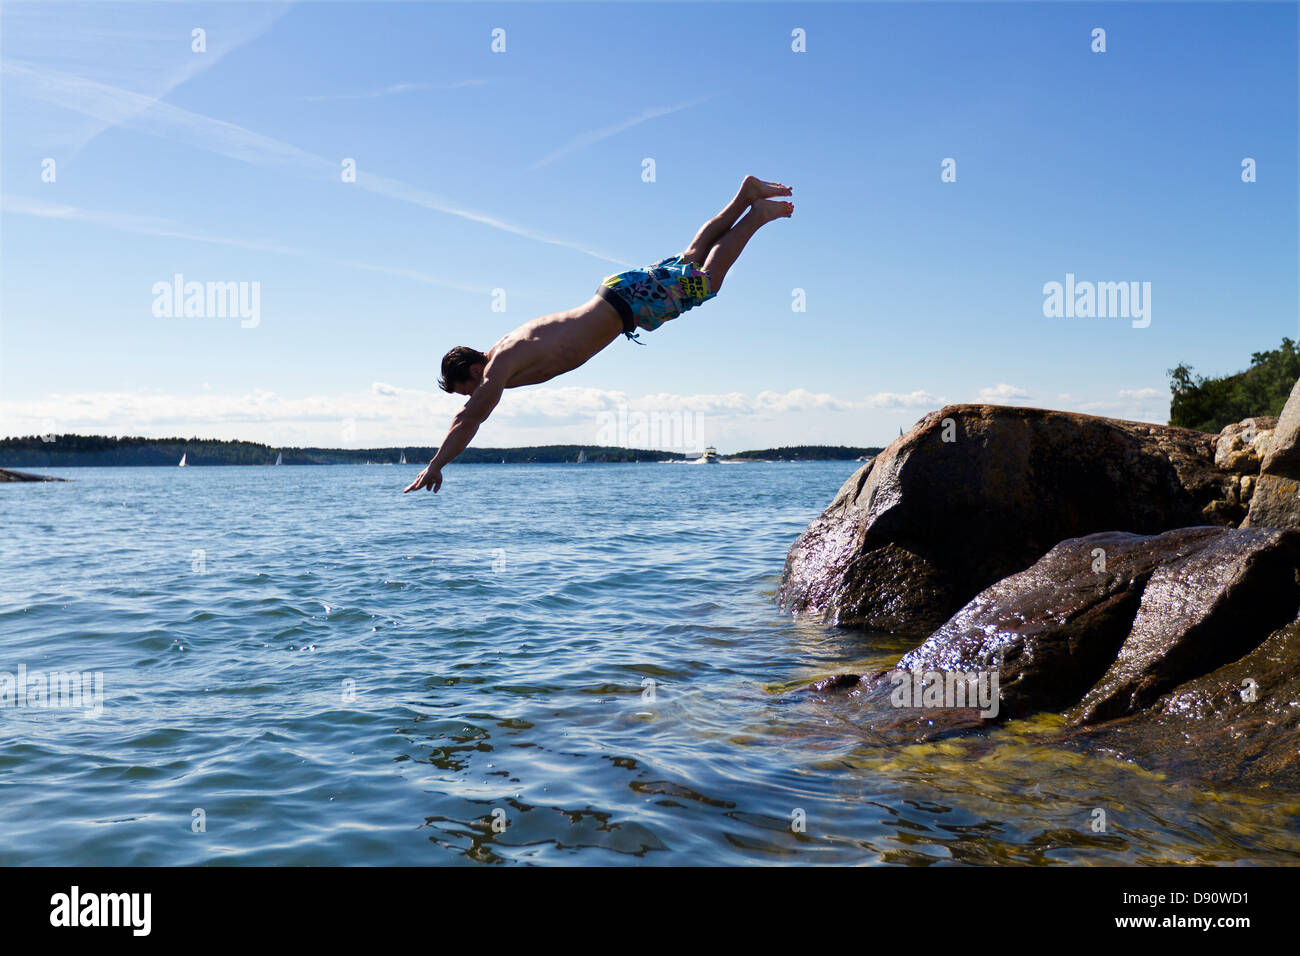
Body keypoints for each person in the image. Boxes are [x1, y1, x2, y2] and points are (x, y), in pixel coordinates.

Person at [404, 175, 793, 493]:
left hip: (629, 304)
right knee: (691, 257)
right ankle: (745, 195)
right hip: (617, 290)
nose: (473, 394)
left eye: (466, 387)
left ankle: (755, 213)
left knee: (706, 282)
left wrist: (436, 464)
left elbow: (467, 419)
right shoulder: (507, 346)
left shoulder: (496, 368)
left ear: (471, 370)